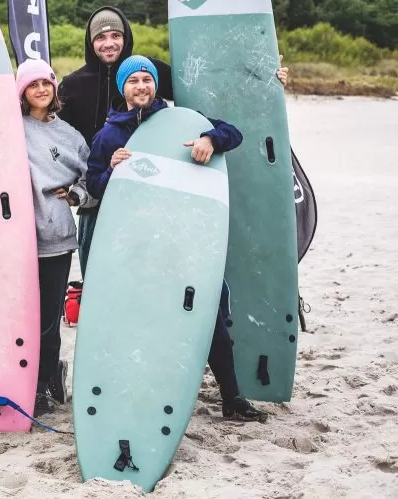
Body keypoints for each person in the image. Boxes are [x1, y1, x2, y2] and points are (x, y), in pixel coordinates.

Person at [85, 55, 268, 423]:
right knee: (142, 321)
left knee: (209, 315)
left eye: (146, 80)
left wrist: (210, 138)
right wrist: (112, 171)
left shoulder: (179, 120)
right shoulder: (109, 135)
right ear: (123, 88)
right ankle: (142, 394)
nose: (141, 86)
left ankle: (232, 398)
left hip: (183, 239)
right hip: (137, 245)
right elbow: (94, 188)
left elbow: (234, 133)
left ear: (155, 85)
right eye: (133, 81)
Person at [59, 6, 289, 276]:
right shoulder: (73, 86)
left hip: (154, 195)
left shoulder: (149, 69)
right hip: (100, 198)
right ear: (90, 41)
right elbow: (56, 136)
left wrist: (265, 81)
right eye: (101, 37)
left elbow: (204, 84)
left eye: (116, 35)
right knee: (102, 276)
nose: (109, 43)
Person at [15, 59, 96, 415]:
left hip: (56, 238)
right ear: (21, 92)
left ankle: (44, 383)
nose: (41, 90)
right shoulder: (9, 128)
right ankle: (31, 379)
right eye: (32, 85)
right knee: (21, 319)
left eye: (46, 83)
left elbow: (93, 179)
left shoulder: (70, 136)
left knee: (48, 320)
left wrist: (77, 194)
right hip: (13, 239)